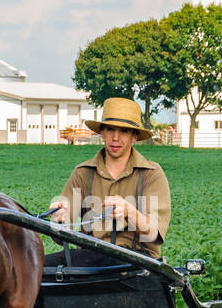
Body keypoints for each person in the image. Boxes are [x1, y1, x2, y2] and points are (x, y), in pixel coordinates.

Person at [45, 97, 171, 266]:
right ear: (101, 133)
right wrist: (59, 220)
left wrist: (130, 212)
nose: (115, 138)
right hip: (89, 259)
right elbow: (63, 233)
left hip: (137, 261)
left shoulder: (151, 174)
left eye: (124, 131)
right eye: (110, 130)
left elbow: (153, 234)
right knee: (36, 269)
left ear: (134, 136)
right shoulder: (83, 173)